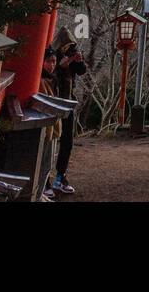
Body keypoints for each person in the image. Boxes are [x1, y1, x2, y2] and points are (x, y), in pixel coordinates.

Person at [50, 25, 87, 195]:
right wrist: (60, 65)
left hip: (68, 100)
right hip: (52, 99)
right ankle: (45, 180)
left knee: (67, 141)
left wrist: (78, 61)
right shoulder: (51, 54)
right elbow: (48, 72)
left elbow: (81, 71)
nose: (69, 48)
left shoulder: (72, 52)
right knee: (49, 141)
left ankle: (61, 175)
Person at [38, 48, 60, 201]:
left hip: (53, 127)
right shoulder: (38, 80)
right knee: (42, 164)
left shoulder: (53, 79)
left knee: (47, 164)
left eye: (54, 62)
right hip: (44, 127)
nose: (51, 65)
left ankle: (40, 193)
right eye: (48, 61)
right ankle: (37, 194)